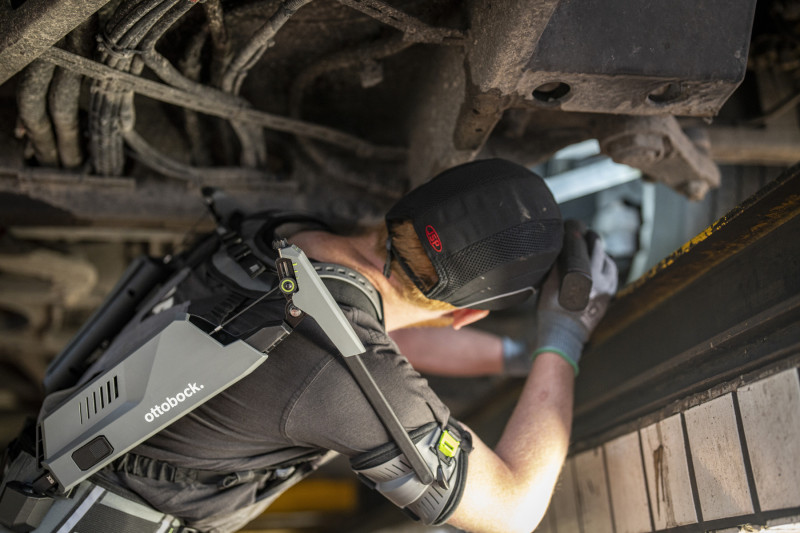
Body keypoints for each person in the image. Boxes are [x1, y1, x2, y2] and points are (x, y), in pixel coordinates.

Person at [1, 158, 617, 533]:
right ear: (468, 315)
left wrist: (514, 361)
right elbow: (512, 509)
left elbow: (372, 360)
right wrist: (562, 338)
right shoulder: (344, 373)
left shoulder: (282, 231)